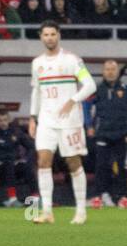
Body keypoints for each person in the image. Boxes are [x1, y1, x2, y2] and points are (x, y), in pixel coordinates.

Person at [29, 21, 96, 224]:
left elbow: (90, 85)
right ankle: (48, 212)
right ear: (41, 37)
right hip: (47, 120)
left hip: (69, 121)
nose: (49, 38)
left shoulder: (72, 60)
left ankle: (81, 211)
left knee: (73, 163)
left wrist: (73, 100)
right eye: (46, 35)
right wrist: (33, 117)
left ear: (58, 35)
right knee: (43, 161)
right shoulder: (37, 63)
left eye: (53, 34)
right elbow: (36, 91)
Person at [87, 58, 127, 208]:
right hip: (103, 134)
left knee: (123, 167)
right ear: (103, 72)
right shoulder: (96, 89)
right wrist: (88, 125)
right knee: (101, 166)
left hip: (122, 134)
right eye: (107, 69)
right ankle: (98, 197)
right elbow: (85, 106)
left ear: (118, 71)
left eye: (113, 69)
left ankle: (122, 198)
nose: (110, 72)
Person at [0, 110, 34, 206]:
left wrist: (26, 159)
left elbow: (31, 147)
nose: (3, 123)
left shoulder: (16, 132)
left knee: (27, 167)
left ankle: (36, 197)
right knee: (8, 165)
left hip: (15, 164)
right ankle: (12, 199)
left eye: (5, 120)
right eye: (0, 120)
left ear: (9, 120)